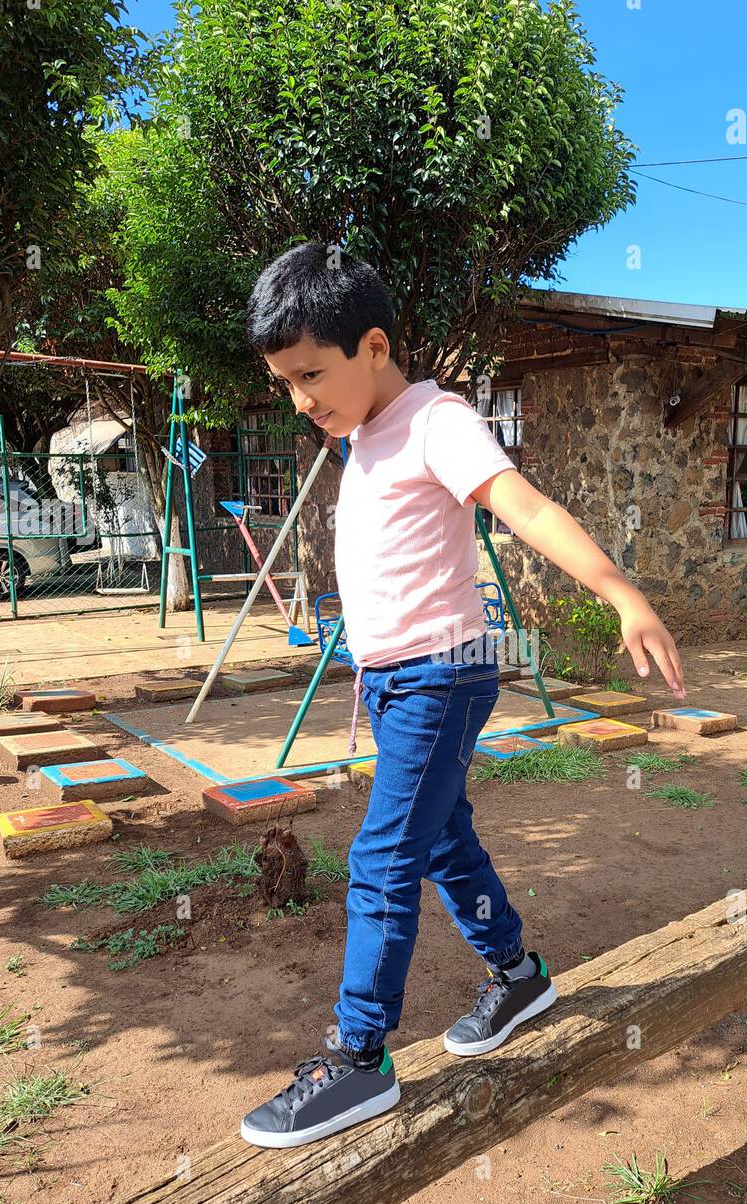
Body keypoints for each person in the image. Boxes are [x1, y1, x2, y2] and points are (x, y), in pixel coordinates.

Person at [239, 242, 687, 1148]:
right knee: (441, 839)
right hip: (402, 681)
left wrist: (621, 590)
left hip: (441, 676)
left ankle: (358, 1057)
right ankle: (516, 974)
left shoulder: (435, 421)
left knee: (381, 858)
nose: (302, 400)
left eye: (311, 374)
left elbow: (526, 506)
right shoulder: (363, 435)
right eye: (286, 382)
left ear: (373, 345)